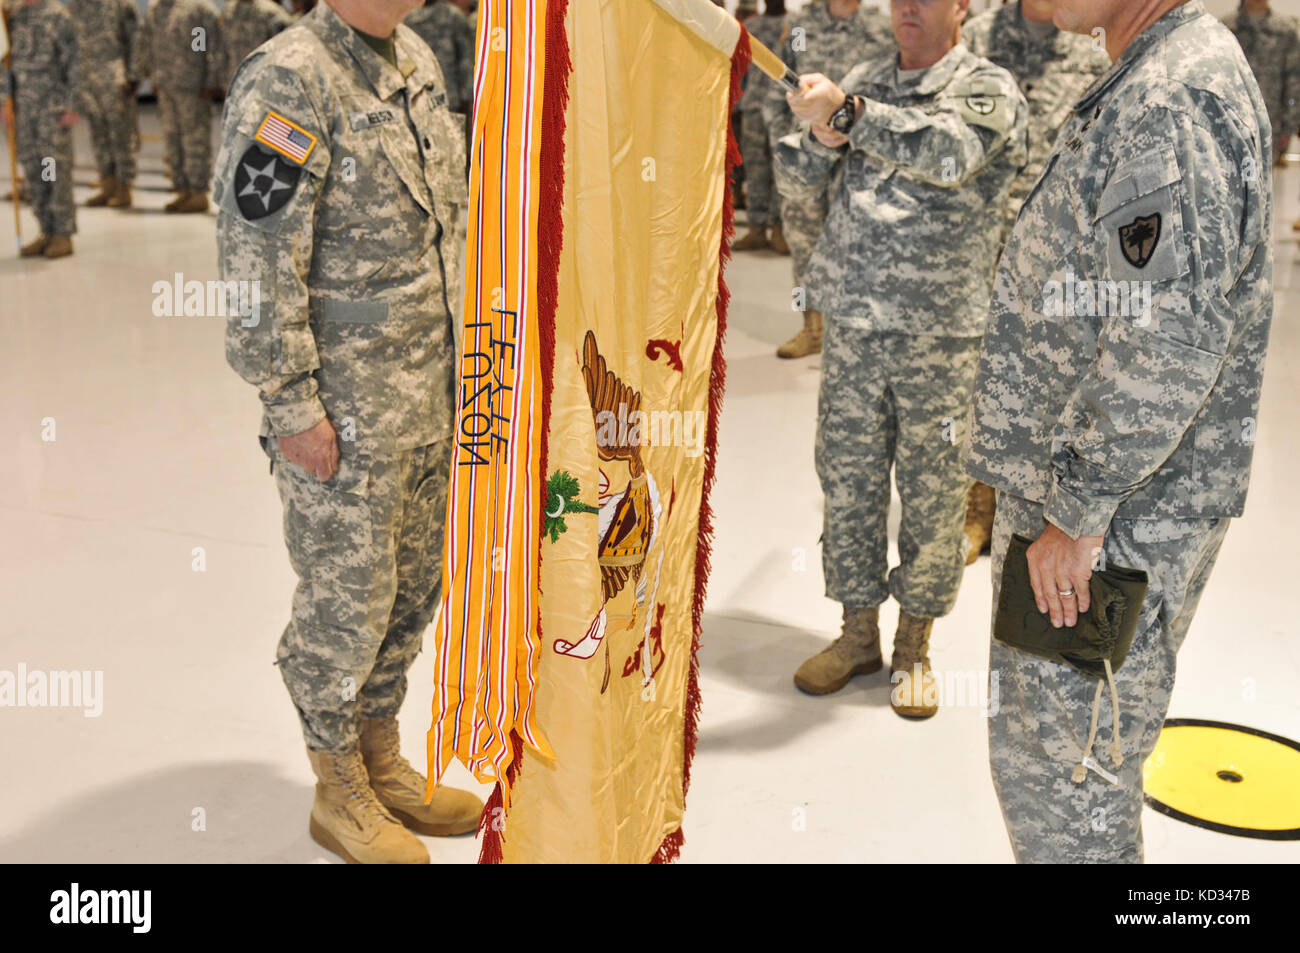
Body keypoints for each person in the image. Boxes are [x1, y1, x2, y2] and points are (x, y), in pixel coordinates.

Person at [964, 0, 1271, 863]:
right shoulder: (1151, 72)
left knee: (1069, 782)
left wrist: (1080, 508)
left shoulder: (1171, 95)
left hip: (1110, 519)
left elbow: (1167, 333)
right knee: (1067, 763)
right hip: (1102, 502)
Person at [216, 0, 480, 865]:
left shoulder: (416, 58)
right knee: (347, 602)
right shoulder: (292, 78)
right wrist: (291, 402)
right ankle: (336, 787)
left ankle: (377, 755)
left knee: (411, 590)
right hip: (347, 408)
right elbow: (257, 250)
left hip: (427, 393)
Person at [776, 0, 1027, 718]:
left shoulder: (985, 88)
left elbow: (950, 154)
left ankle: (914, 646)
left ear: (962, 8)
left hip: (939, 334)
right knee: (850, 480)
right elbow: (800, 181)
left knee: (933, 490)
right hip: (855, 324)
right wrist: (818, 137)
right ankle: (858, 635)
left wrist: (850, 116)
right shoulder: (864, 78)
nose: (907, 8)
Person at [958, 0, 1109, 564]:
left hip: (1059, 255)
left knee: (1046, 382)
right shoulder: (972, 39)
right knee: (981, 377)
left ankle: (1044, 507)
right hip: (977, 239)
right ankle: (976, 512)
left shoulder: (1093, 47)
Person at [763, 0, 895, 359]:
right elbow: (776, 85)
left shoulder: (881, 29)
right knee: (803, 244)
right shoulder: (801, 27)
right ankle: (811, 329)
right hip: (808, 158)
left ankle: (847, 332)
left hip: (859, 160)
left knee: (855, 244)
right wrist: (785, 139)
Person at [4, 0, 78, 258]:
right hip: (24, 107)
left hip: (51, 107)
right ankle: (45, 229)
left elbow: (75, 61)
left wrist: (72, 103)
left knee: (53, 168)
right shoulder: (14, 16)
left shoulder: (58, 16)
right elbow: (6, 61)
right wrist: (5, 101)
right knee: (34, 169)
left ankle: (62, 233)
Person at [134, 0, 223, 213]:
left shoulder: (199, 8)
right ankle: (182, 189)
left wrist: (210, 80)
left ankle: (198, 192)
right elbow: (149, 41)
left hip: (192, 85)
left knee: (194, 140)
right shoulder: (157, 8)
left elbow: (212, 46)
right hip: (166, 84)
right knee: (173, 139)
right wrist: (151, 74)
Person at [69, 0, 140, 209]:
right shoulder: (76, 5)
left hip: (113, 77)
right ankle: (107, 183)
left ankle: (124, 186)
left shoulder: (121, 4)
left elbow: (135, 38)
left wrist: (133, 74)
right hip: (87, 78)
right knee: (98, 134)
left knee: (121, 133)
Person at [734, 0, 789, 255]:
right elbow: (740, 67)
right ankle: (757, 229)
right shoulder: (751, 26)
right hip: (754, 106)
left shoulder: (794, 27)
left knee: (782, 168)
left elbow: (800, 61)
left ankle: (779, 228)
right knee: (755, 168)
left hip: (784, 107)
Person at [1222, 0, 1300, 167]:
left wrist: (1289, 127)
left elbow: (1293, 83)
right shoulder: (1225, 28)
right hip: (1231, 124)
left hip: (1272, 125)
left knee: (1264, 186)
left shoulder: (1285, 30)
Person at [403, 0, 475, 117]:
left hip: (449, 97)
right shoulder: (409, 17)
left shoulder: (452, 15)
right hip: (424, 94)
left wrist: (467, 96)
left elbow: (465, 59)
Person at [218, 0, 293, 92]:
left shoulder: (272, 14)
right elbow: (222, 49)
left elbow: (284, 53)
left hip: (263, 85)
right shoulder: (228, 11)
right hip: (233, 84)